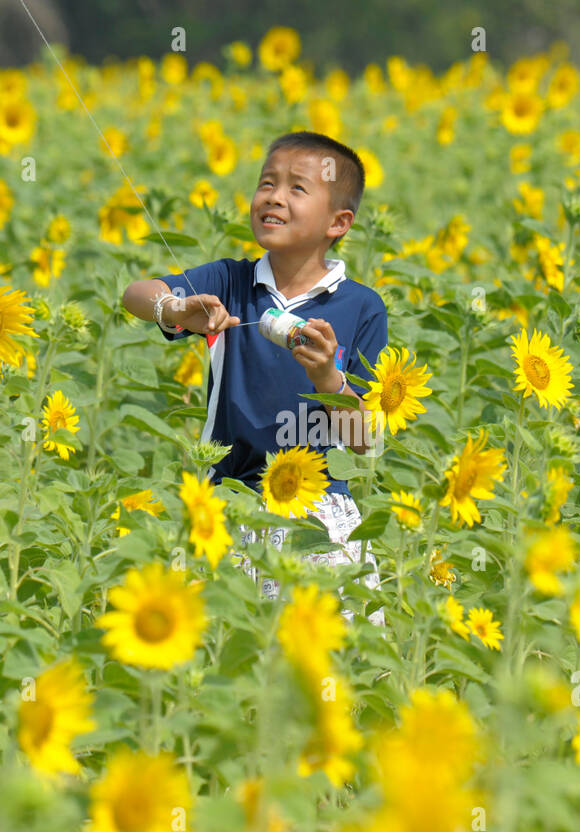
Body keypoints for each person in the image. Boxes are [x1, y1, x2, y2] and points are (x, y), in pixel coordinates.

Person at [121, 131, 388, 627]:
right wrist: (176, 307)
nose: (274, 197)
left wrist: (330, 379)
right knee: (219, 645)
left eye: (297, 188)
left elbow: (362, 439)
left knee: (332, 650)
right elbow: (136, 294)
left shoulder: (361, 307)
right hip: (229, 497)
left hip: (319, 509)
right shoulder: (231, 281)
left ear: (339, 222)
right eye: (267, 182)